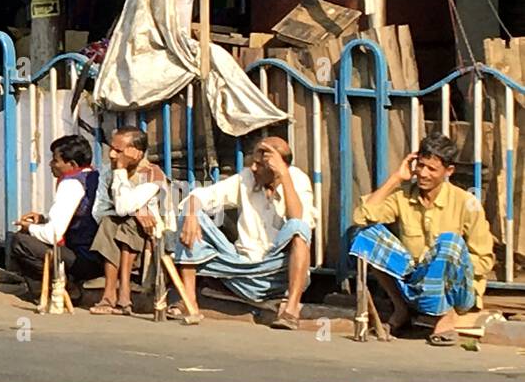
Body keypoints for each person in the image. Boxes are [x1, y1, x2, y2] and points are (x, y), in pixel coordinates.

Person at [350, 134, 495, 346]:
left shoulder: (466, 203)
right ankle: (401, 307)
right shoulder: (403, 195)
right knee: (365, 236)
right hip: (414, 281)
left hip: (455, 292)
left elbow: (484, 260)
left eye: (432, 169)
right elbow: (361, 217)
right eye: (421, 166)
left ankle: (445, 315)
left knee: (449, 243)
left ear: (449, 172)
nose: (423, 174)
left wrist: (441, 264)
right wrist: (396, 179)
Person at [173, 136, 315, 329]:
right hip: (240, 270)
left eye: (259, 164)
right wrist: (191, 213)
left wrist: (284, 174)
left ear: (275, 168)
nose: (253, 168)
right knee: (188, 212)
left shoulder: (297, 179)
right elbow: (203, 196)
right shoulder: (247, 177)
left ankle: (290, 311)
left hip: (278, 273)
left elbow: (298, 218)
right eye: (253, 163)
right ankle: (189, 302)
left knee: (299, 228)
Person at [10, 134, 101, 305]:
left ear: (71, 164)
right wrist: (43, 219)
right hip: (97, 256)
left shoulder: (71, 184)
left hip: (82, 259)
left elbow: (54, 233)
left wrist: (28, 228)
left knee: (20, 242)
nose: (52, 165)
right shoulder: (93, 176)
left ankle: (51, 291)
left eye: (55, 160)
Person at [88, 126, 168, 315]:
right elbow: (98, 212)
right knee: (111, 221)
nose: (113, 155)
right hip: (114, 237)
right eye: (112, 149)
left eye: (119, 151)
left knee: (128, 221)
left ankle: (124, 290)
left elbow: (124, 206)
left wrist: (121, 171)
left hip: (151, 239)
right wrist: (135, 211)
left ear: (136, 153)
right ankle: (110, 294)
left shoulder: (152, 174)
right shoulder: (108, 173)